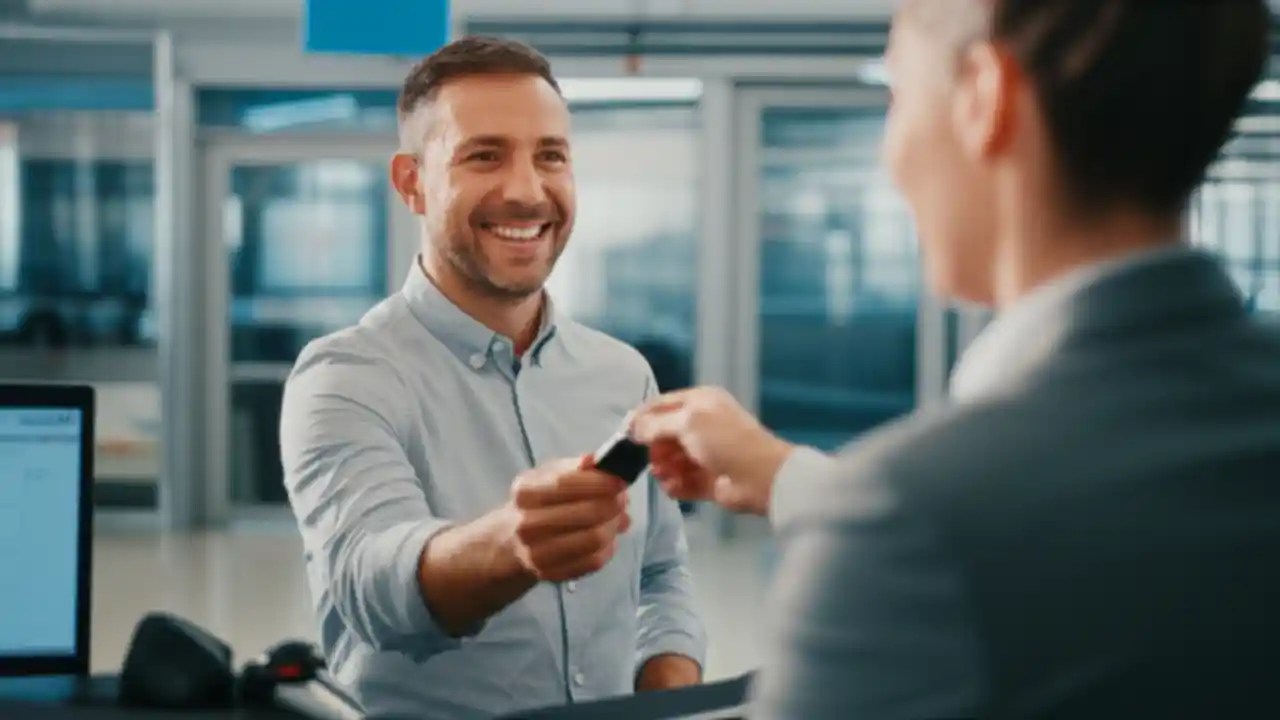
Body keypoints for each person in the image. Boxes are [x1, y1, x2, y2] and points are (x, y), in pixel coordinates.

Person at [630, 1, 1279, 718]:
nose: (891, 151)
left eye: (898, 94)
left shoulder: (904, 528)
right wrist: (791, 477)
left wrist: (870, 517)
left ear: (983, 98)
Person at [280, 37, 705, 720]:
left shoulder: (623, 374)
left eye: (551, 156)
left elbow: (660, 574)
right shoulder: (344, 377)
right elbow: (368, 579)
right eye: (484, 155)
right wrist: (512, 544)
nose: (526, 190)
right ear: (411, 181)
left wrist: (669, 682)